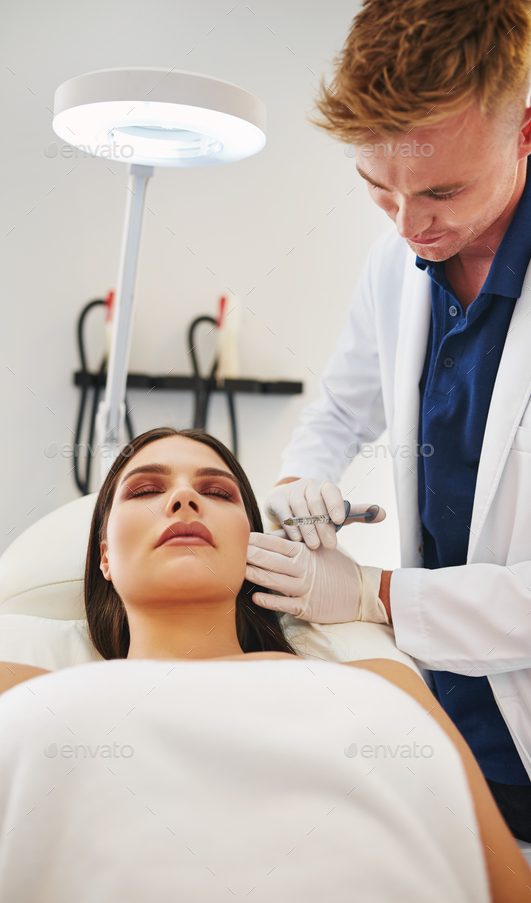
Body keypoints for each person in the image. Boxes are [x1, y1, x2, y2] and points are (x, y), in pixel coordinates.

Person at [0, 428, 529, 902]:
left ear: (252, 543)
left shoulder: (379, 682)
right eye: (145, 489)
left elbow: (505, 886)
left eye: (218, 493)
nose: (183, 499)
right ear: (103, 557)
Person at [247, 0, 531, 848]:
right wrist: (303, 484)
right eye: (379, 190)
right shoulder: (399, 262)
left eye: (443, 190)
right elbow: (339, 407)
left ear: (525, 133)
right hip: (448, 725)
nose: (410, 226)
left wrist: (373, 595)